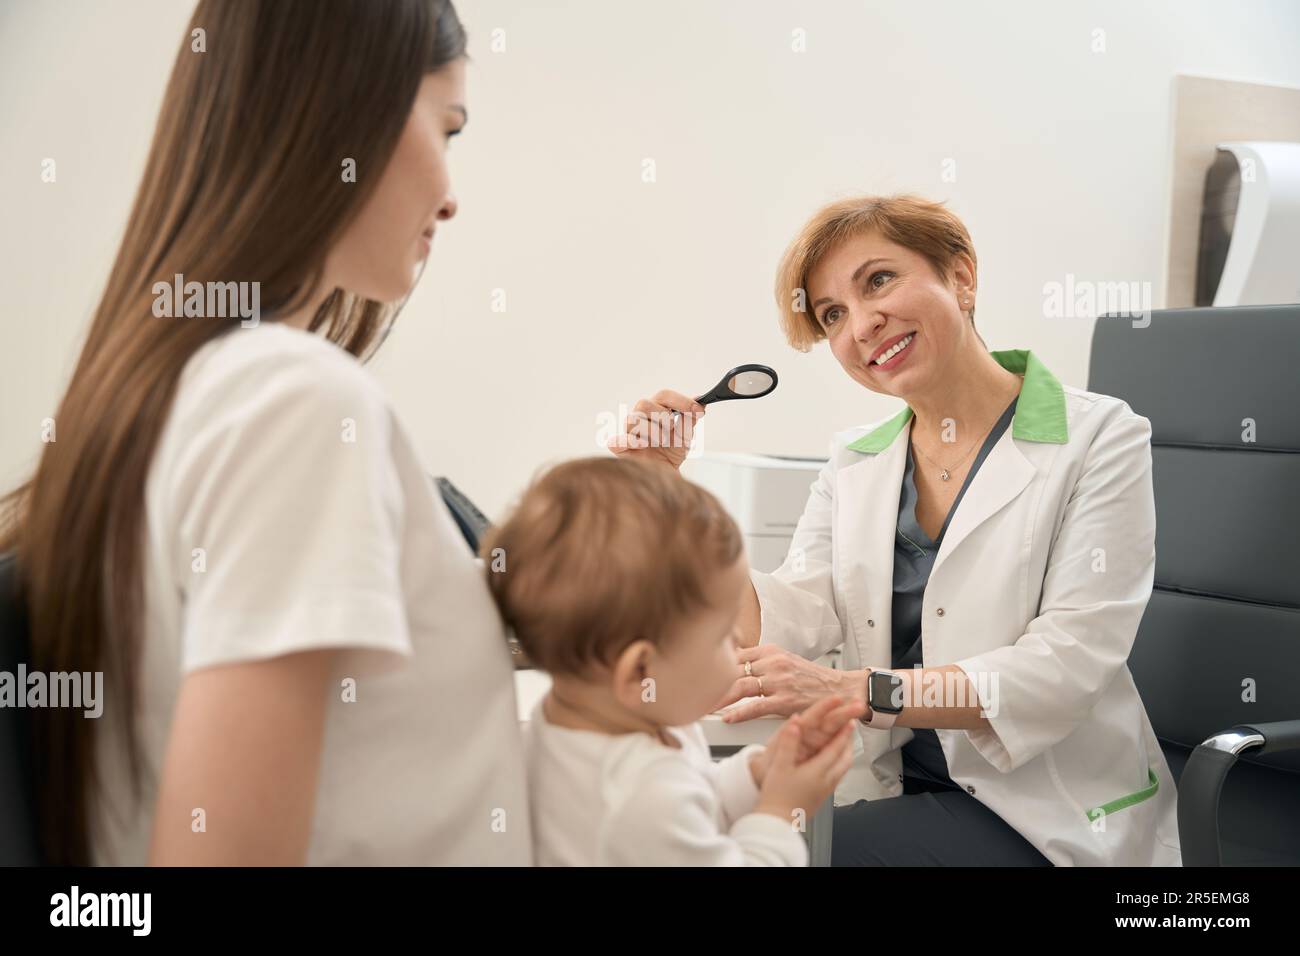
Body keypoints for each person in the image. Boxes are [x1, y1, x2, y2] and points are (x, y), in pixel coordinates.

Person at [0, 0, 530, 865]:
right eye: (448, 128)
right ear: (339, 112)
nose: (449, 197)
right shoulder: (297, 404)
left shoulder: (183, 392)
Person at [612, 195, 1181, 866]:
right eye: (832, 315)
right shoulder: (857, 459)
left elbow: (1064, 669)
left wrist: (861, 690)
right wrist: (666, 492)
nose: (862, 324)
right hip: (902, 788)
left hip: (1047, 814)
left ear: (961, 277)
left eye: (877, 280)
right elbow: (784, 617)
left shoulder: (1099, 437)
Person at [482, 457, 861, 865]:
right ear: (640, 672)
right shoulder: (635, 796)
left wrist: (757, 774)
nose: (739, 639)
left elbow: (692, 800)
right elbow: (672, 811)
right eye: (721, 635)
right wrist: (779, 811)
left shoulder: (603, 727)